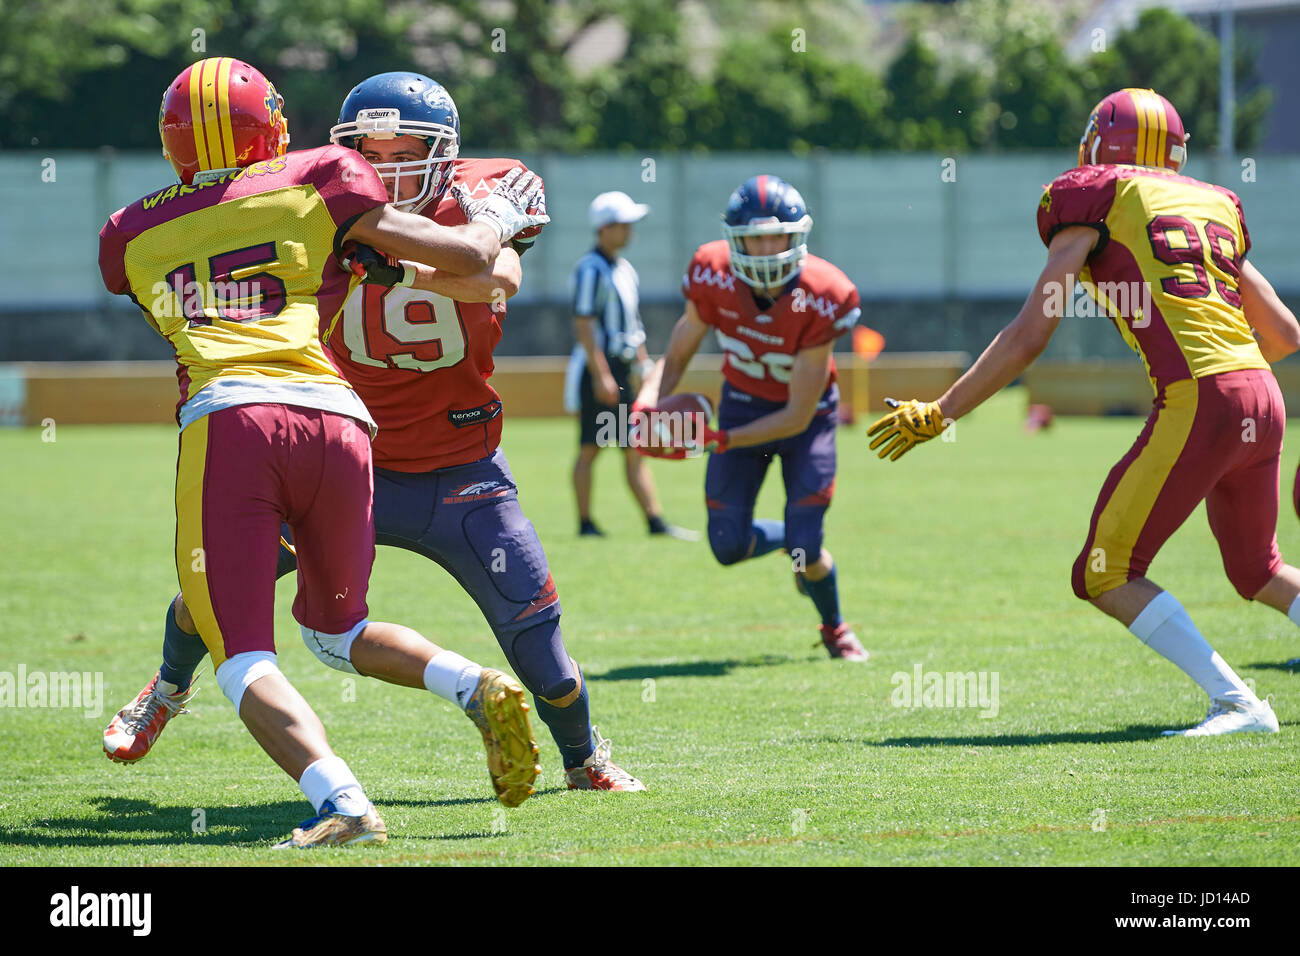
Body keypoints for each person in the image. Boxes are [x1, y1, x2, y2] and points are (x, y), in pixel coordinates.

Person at [103, 71, 645, 796]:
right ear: (344, 150)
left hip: (463, 464)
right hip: (346, 460)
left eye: (404, 150)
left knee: (537, 633)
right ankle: (166, 689)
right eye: (371, 151)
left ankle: (584, 758)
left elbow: (498, 276)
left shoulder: (483, 190)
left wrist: (403, 268)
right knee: (220, 583)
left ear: (442, 152)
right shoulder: (306, 203)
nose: (386, 167)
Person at [867, 88, 1300, 736]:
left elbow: (1029, 335)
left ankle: (1239, 703)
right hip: (1264, 398)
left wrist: (945, 409)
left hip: (1202, 400)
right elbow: (1286, 333)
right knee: (1257, 571)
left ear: (1101, 145)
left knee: (1105, 571)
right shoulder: (1211, 202)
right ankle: (1239, 703)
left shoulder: (1096, 197)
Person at [634, 175, 868, 660]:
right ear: (734, 240)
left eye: (776, 236)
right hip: (741, 404)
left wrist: (718, 439)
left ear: (796, 236)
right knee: (726, 546)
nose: (766, 248)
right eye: (755, 237)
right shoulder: (711, 273)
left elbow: (796, 414)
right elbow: (676, 356)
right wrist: (645, 403)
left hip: (806, 423)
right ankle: (792, 535)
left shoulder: (826, 292)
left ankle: (835, 627)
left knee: (808, 552)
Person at [569, 191, 689, 539]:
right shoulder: (589, 269)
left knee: (636, 446)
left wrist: (644, 365)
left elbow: (633, 326)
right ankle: (586, 523)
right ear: (604, 228)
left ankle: (655, 521)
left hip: (624, 369)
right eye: (623, 225)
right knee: (590, 447)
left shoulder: (624, 269)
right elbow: (584, 324)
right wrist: (601, 375)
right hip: (602, 368)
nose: (630, 232)